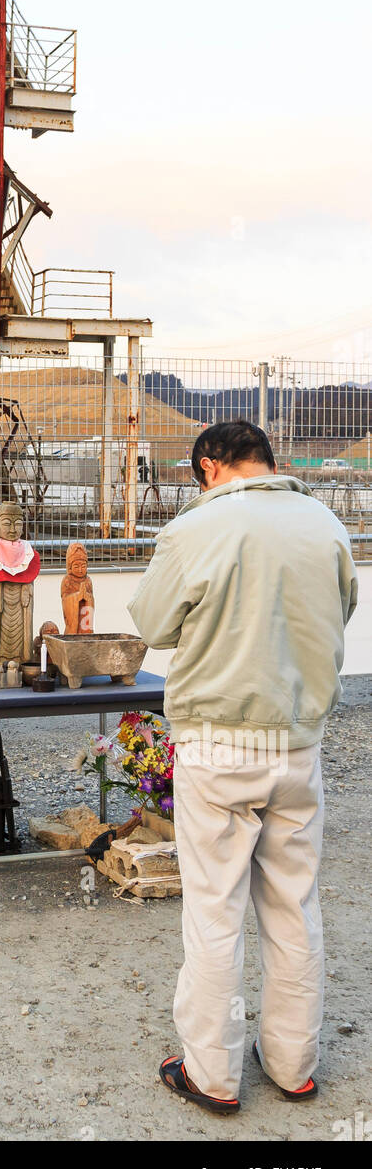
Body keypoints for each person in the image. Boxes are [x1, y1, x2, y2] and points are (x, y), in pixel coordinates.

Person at [128, 420, 357, 1116]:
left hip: (219, 744)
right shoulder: (327, 525)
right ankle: (293, 1065)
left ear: (208, 467)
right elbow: (341, 610)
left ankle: (214, 1075)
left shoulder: (197, 527)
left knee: (214, 912)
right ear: (268, 459)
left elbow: (152, 624)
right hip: (296, 743)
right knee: (295, 905)